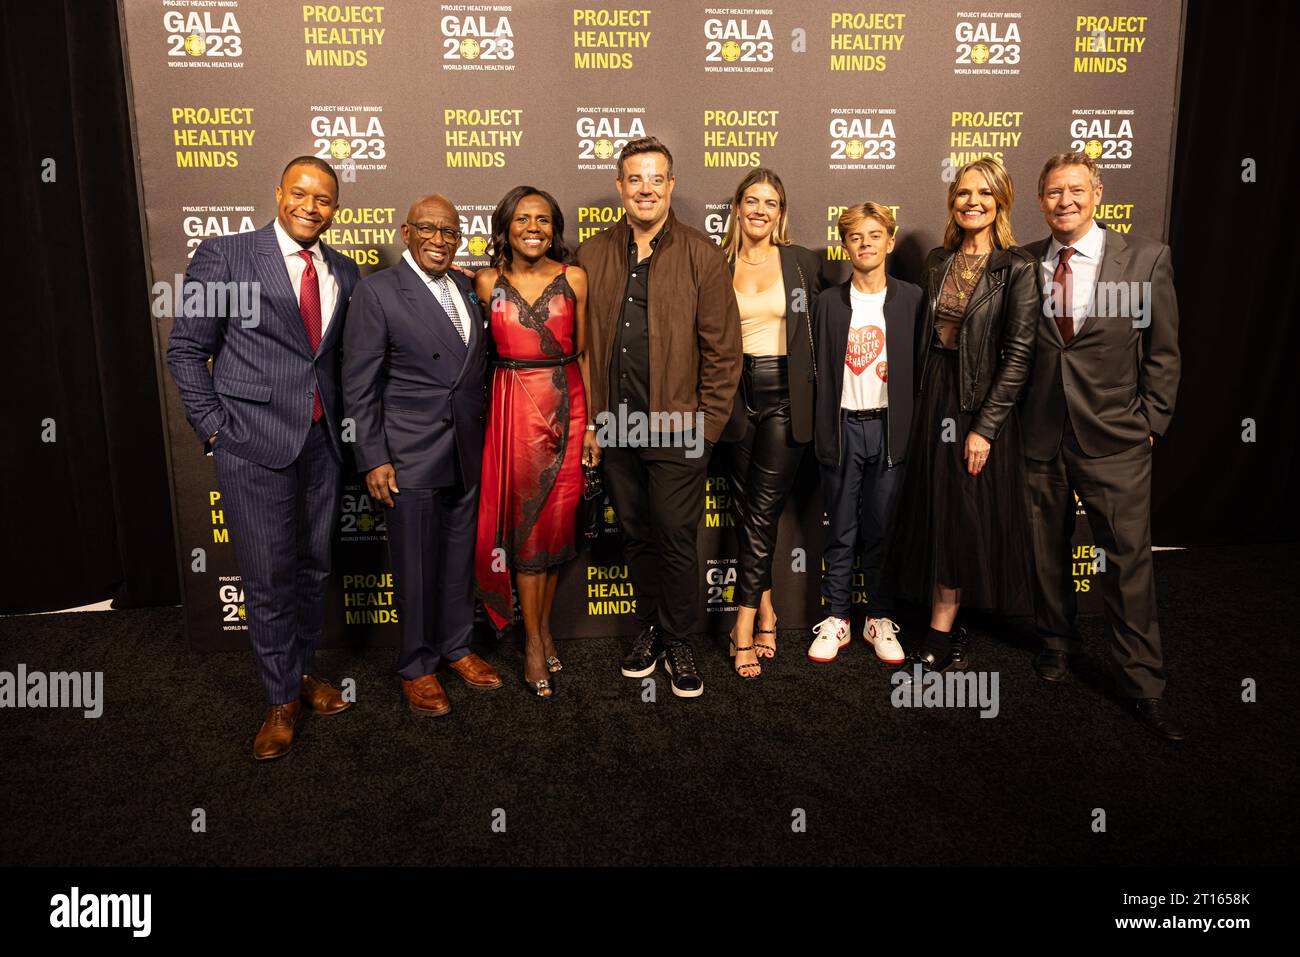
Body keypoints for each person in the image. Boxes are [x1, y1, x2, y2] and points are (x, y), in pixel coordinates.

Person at [166, 156, 360, 761]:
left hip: (323, 446)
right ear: (278, 193)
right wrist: (216, 431)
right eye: (299, 193)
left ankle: (300, 676)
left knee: (313, 569)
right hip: (251, 445)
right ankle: (279, 702)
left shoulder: (344, 272)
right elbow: (185, 351)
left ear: (335, 208)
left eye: (323, 198)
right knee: (268, 578)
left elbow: (331, 362)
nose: (310, 205)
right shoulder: (227, 256)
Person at [1021, 151, 1184, 740]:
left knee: (1127, 563)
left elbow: (1163, 353)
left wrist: (1151, 423)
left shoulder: (1144, 259)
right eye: (1053, 193)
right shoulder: (1021, 264)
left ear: (1097, 194)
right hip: (1039, 437)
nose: (1064, 201)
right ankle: (1057, 643)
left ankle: (1143, 684)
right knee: (1045, 553)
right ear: (1040, 201)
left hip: (1115, 440)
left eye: (1075, 191)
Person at [575, 136, 742, 699]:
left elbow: (723, 352)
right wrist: (594, 424)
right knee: (639, 536)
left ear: (671, 186)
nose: (645, 189)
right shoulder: (593, 254)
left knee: (675, 535)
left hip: (678, 429)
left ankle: (678, 639)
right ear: (620, 187)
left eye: (656, 179)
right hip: (617, 428)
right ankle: (647, 629)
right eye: (635, 179)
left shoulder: (702, 254)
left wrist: (708, 429)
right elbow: (584, 349)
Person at [343, 194, 501, 719]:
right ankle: (416, 665)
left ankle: (456, 647)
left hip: (466, 449)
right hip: (407, 454)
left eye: (450, 232)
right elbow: (359, 383)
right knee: (413, 566)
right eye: (428, 229)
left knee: (458, 561)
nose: (440, 239)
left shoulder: (463, 286)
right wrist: (373, 457)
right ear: (406, 233)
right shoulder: (378, 291)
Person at [890, 157, 1038, 673]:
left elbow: (1019, 355)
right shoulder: (936, 260)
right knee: (935, 509)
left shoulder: (1017, 267)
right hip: (933, 395)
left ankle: (941, 628)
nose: (972, 201)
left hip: (976, 402)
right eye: (963, 192)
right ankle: (949, 618)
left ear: (1001, 201)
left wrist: (985, 427)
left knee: (961, 515)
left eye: (984, 193)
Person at [473, 186, 598, 697]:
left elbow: (585, 355)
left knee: (553, 532)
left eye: (543, 220)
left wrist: (592, 427)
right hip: (512, 415)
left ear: (555, 228)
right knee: (526, 533)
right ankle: (531, 641)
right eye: (522, 219)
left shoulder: (575, 279)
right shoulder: (485, 283)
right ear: (505, 226)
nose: (533, 227)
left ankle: (543, 628)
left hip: (567, 411)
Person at [720, 168, 831, 679]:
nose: (760, 209)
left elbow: (847, 314)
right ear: (738, 207)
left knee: (762, 512)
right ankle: (766, 612)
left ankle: (741, 627)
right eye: (751, 200)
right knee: (747, 512)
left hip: (788, 396)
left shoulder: (804, 262)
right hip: (734, 396)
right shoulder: (717, 263)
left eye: (770, 201)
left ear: (780, 211)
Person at [808, 203, 921, 666]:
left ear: (890, 242)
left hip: (889, 427)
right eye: (856, 236)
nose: (867, 243)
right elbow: (815, 373)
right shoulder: (827, 303)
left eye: (876, 235)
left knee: (882, 526)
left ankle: (878, 616)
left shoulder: (912, 298)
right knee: (842, 527)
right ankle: (837, 617)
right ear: (845, 245)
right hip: (842, 426)